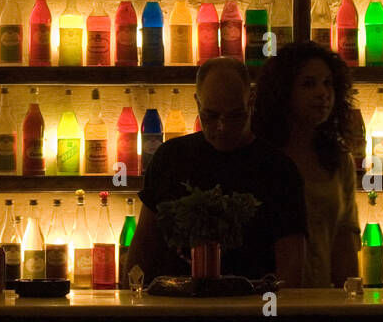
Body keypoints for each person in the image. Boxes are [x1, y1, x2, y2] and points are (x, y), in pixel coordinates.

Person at [126, 56, 307, 285]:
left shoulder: (279, 170)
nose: (222, 127)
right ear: (197, 103)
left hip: (250, 314)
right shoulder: (170, 158)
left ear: (251, 102)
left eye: (235, 115)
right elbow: (142, 249)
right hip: (175, 314)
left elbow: (291, 271)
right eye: (211, 116)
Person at [252, 41, 361, 289]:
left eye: (327, 83)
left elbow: (344, 241)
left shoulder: (337, 159)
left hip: (320, 302)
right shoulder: (260, 156)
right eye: (308, 84)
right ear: (283, 92)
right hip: (264, 302)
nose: (322, 93)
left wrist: (353, 305)